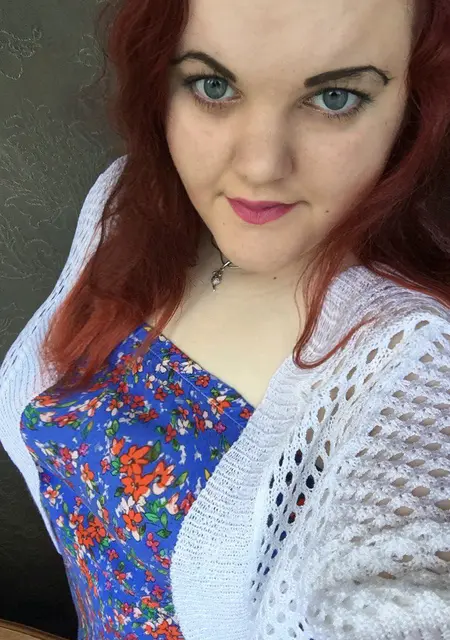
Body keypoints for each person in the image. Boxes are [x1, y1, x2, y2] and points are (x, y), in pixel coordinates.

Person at [0, 0, 449, 638]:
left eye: (336, 98)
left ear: (413, 104)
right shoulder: (123, 211)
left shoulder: (414, 363)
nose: (260, 166)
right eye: (213, 86)